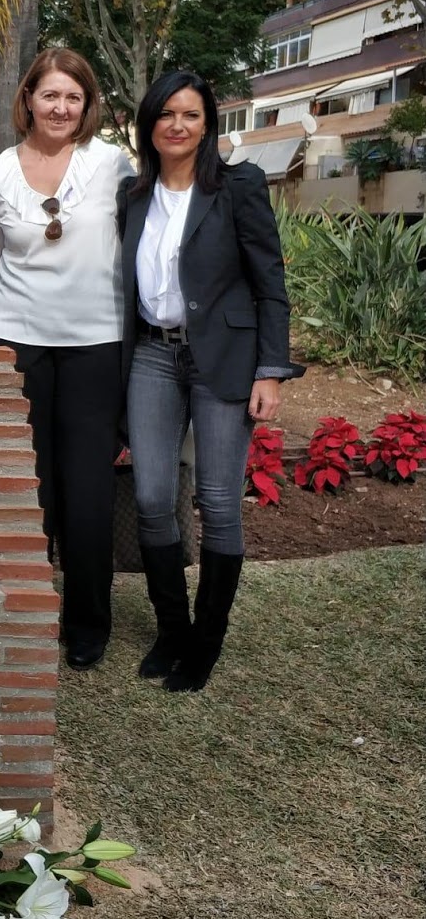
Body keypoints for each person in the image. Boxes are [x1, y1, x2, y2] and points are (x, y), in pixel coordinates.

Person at [119, 70, 301, 692]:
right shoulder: (133, 195)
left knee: (219, 501)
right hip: (152, 355)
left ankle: (206, 642)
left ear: (208, 124)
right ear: (149, 123)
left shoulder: (238, 187)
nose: (177, 125)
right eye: (165, 114)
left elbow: (269, 282)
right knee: (150, 497)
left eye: (190, 115)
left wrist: (271, 371)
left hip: (225, 357)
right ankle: (172, 631)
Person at [0, 48, 134, 669]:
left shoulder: (111, 166)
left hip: (96, 342)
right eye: (50, 95)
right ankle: (26, 615)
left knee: (89, 489)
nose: (61, 107)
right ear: (29, 100)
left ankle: (88, 621)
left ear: (86, 104)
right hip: (19, 344)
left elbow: (131, 252)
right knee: (27, 489)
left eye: (73, 97)